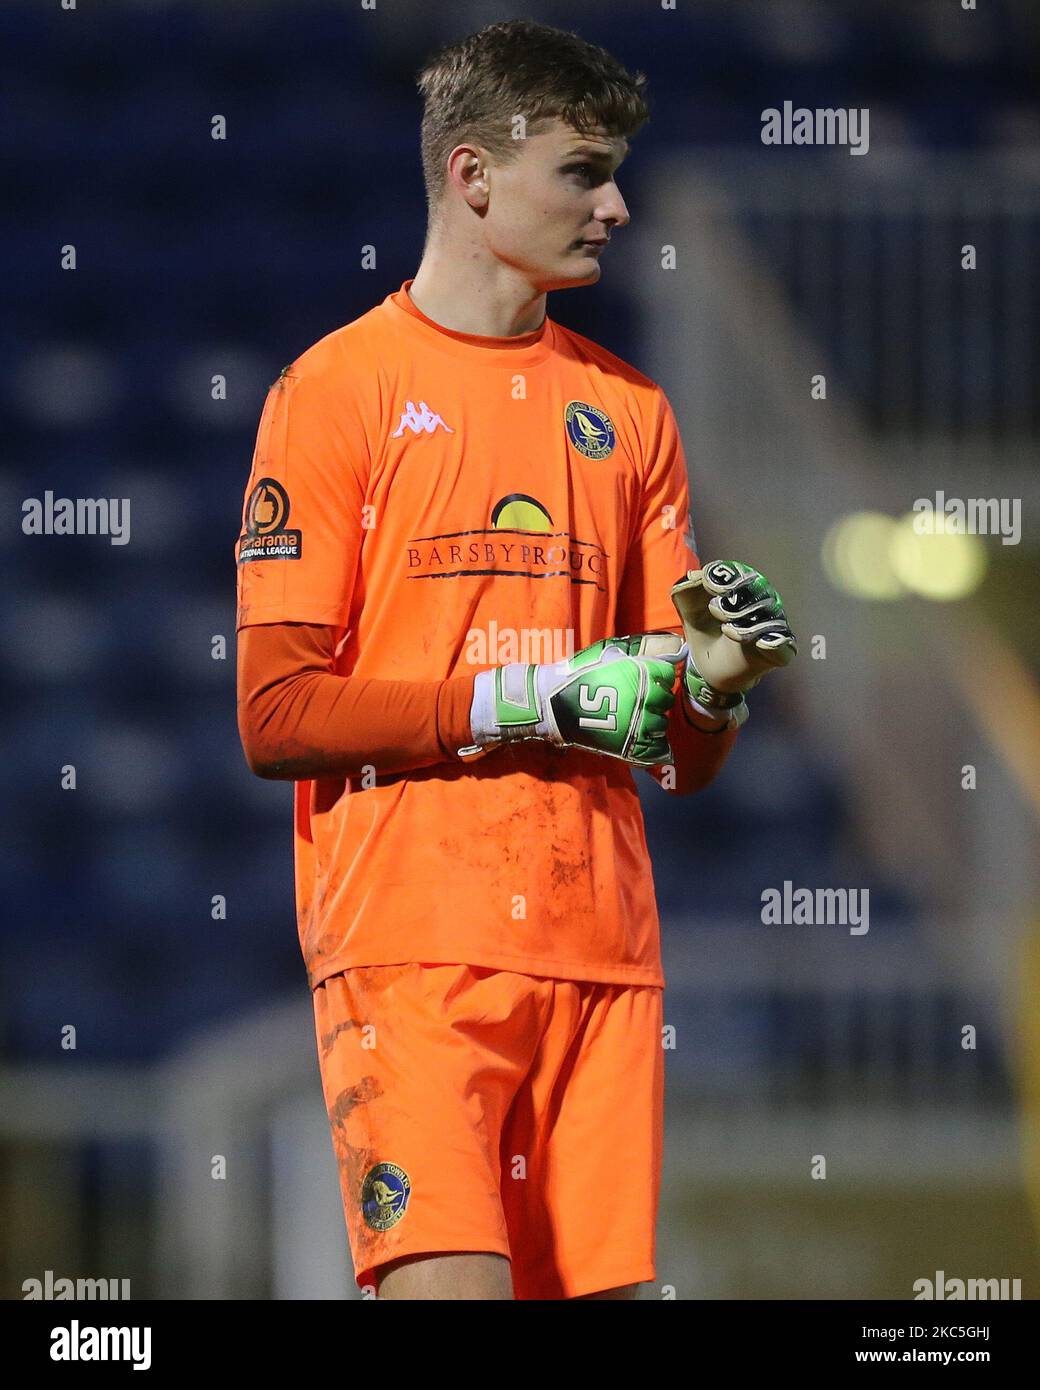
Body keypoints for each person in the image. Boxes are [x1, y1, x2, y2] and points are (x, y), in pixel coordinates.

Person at [235, 18, 791, 1300]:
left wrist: (711, 683)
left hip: (603, 950)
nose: (615, 205)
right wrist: (523, 695)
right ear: (474, 176)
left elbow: (680, 756)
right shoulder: (333, 392)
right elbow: (274, 714)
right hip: (413, 949)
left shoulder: (634, 414)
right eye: (583, 172)